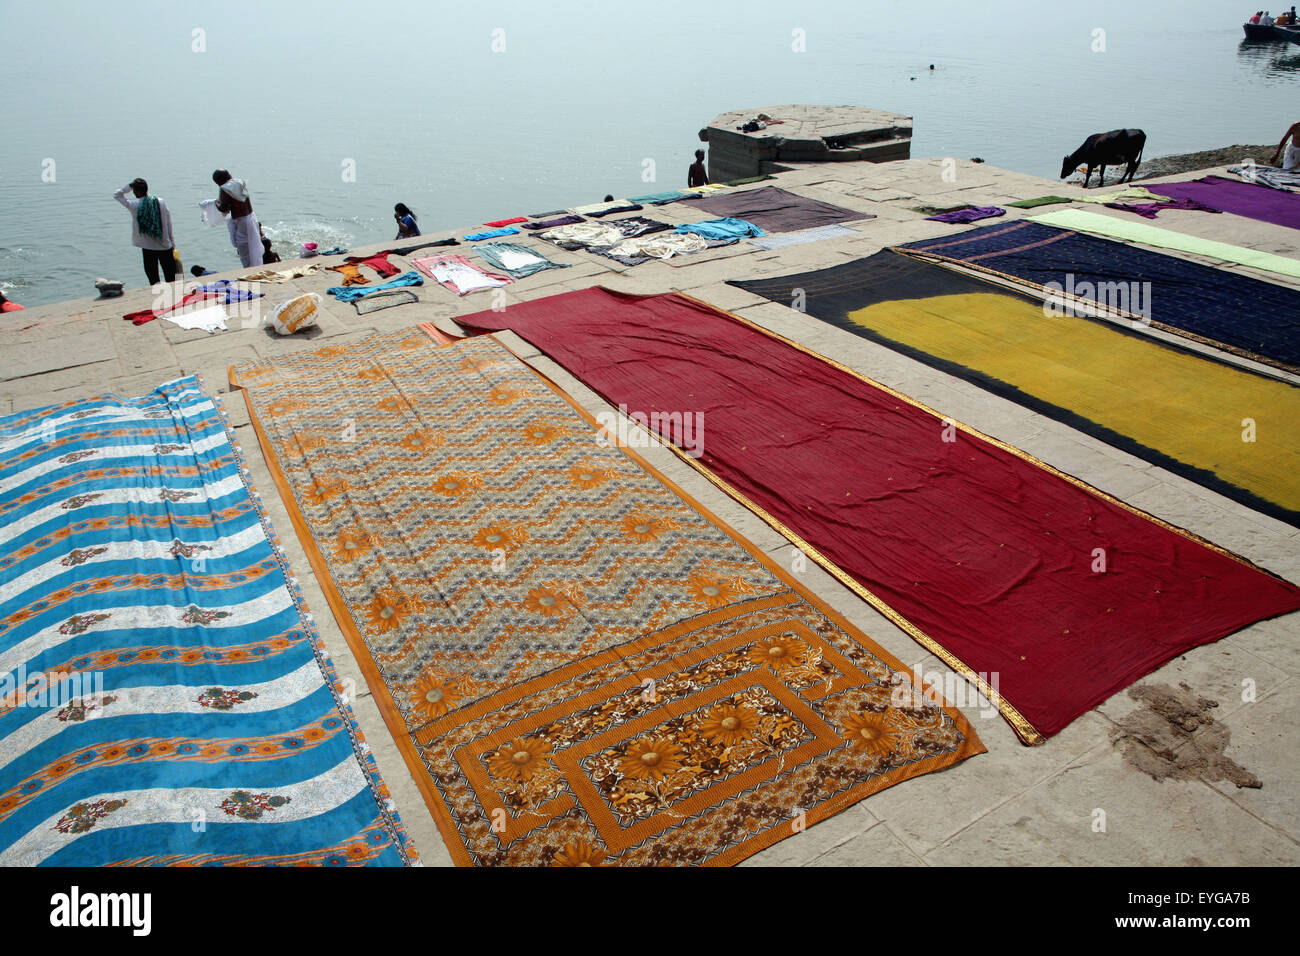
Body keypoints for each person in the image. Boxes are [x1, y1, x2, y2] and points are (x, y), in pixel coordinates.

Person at [113, 178, 176, 285]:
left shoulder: (135, 206)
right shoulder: (161, 202)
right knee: (172, 279)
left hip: (148, 248)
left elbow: (117, 195)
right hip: (165, 246)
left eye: (134, 190)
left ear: (136, 191)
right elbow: (168, 223)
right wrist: (172, 242)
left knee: (154, 281)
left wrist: (129, 186)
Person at [211, 169, 263, 267]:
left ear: (218, 182)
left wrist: (216, 204)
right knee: (254, 244)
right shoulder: (239, 182)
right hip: (251, 216)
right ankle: (256, 265)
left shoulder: (224, 189)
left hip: (241, 220)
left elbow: (224, 208)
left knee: (243, 246)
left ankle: (249, 268)